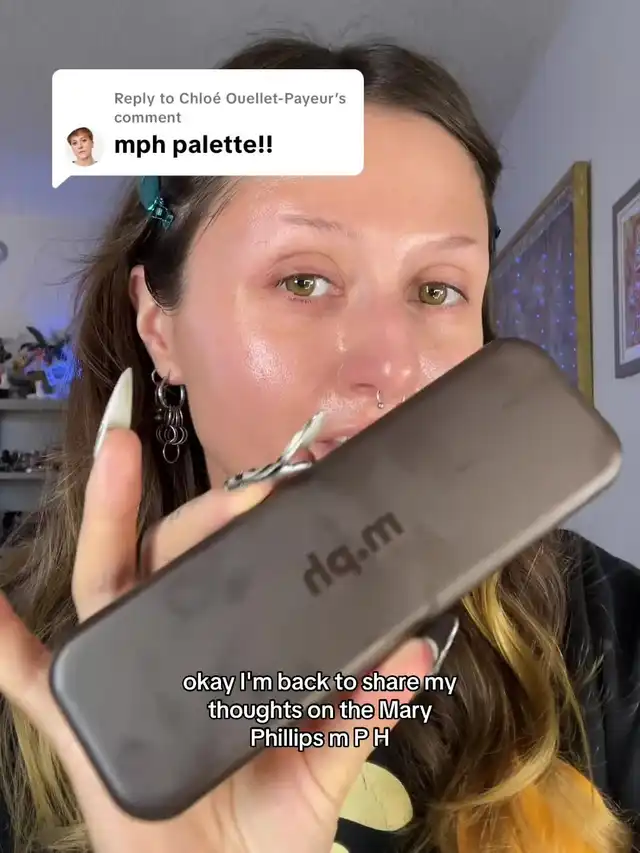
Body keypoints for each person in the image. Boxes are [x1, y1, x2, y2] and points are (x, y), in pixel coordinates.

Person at [0, 36, 638, 853]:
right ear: (159, 326)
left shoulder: (606, 630)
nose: (391, 363)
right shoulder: (33, 691)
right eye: (303, 280)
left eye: (437, 289)